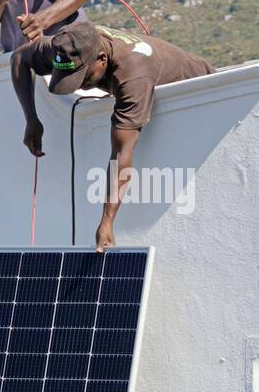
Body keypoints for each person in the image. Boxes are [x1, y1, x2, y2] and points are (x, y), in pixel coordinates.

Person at [12, 20, 213, 250]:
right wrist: (31, 118)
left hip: (204, 91)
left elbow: (121, 154)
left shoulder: (132, 75)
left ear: (102, 59)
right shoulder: (67, 45)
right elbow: (19, 58)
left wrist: (107, 222)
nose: (81, 86)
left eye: (83, 78)